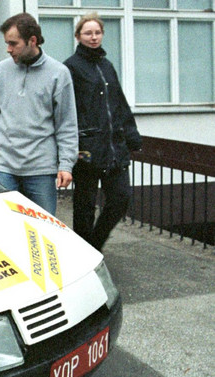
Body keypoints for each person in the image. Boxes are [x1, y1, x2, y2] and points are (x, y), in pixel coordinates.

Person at [0, 13, 78, 216]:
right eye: (7, 43)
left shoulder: (59, 73)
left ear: (32, 40)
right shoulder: (1, 70)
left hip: (41, 168)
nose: (8, 49)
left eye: (13, 43)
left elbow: (66, 124)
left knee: (41, 230)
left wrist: (66, 164)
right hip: (4, 165)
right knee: (3, 225)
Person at [64, 12, 142, 251]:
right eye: (88, 33)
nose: (94, 37)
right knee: (85, 205)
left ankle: (94, 246)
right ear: (78, 36)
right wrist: (71, 143)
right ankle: (83, 253)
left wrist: (131, 135)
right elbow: (66, 110)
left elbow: (119, 102)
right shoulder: (71, 67)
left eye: (97, 32)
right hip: (87, 148)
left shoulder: (107, 66)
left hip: (114, 147)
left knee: (121, 198)